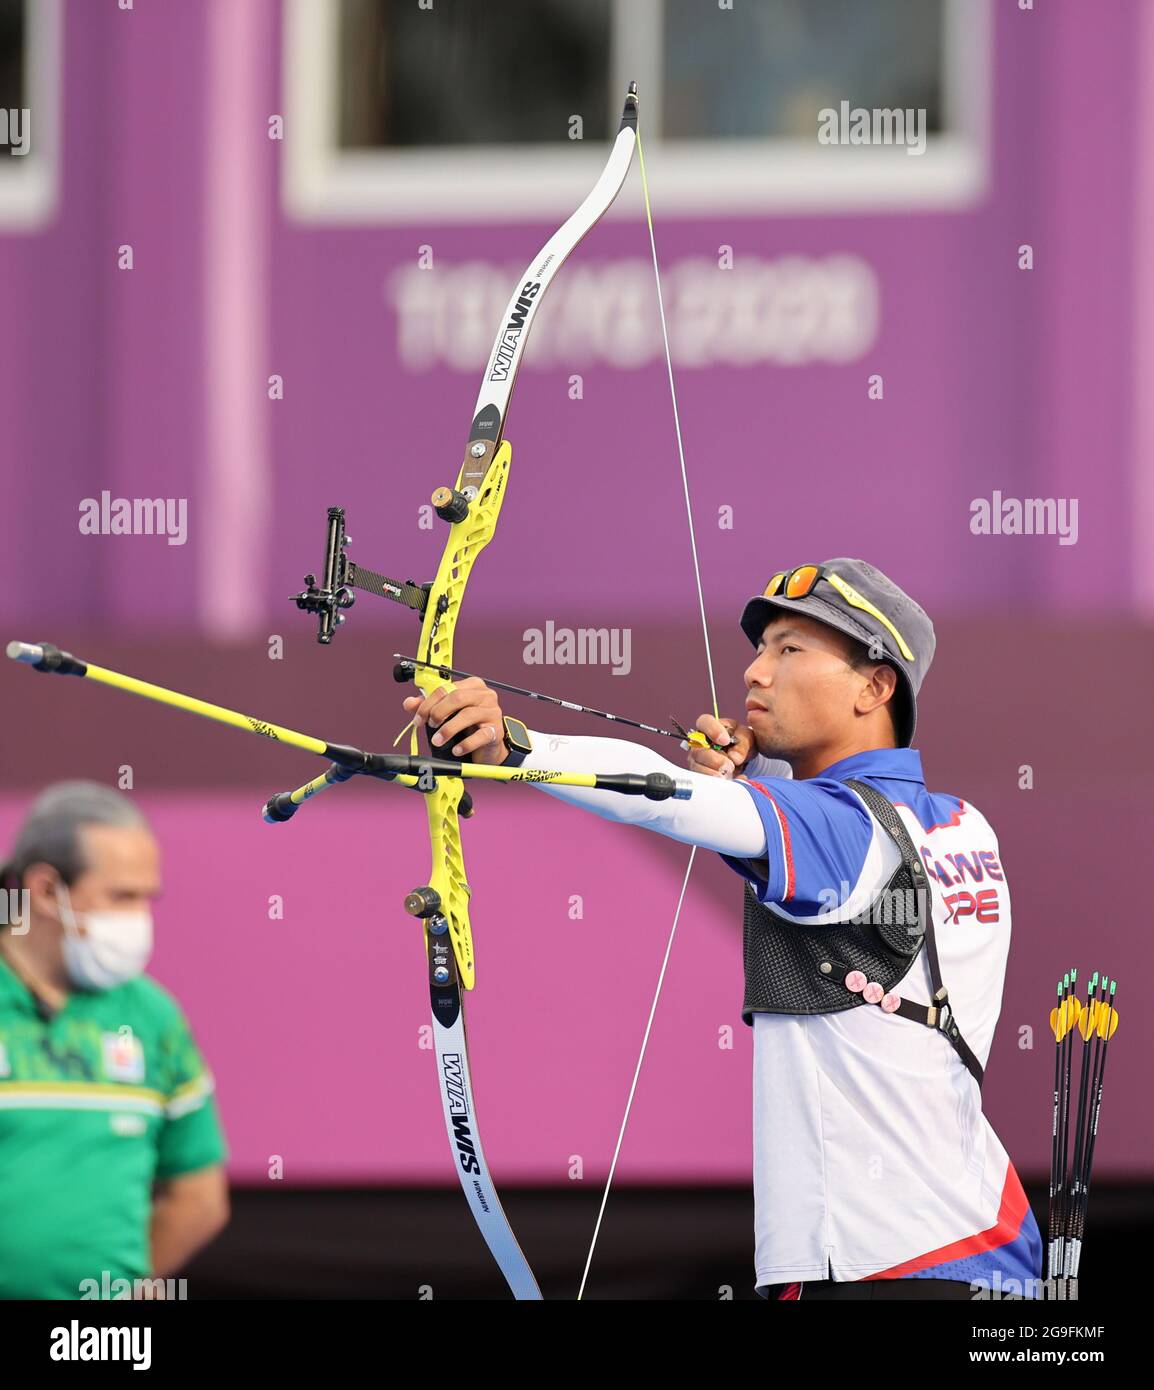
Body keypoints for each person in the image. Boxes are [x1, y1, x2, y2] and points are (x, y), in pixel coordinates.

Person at [401, 558, 1043, 1300]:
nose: (755, 673)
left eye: (791, 650)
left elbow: (664, 796)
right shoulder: (962, 825)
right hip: (986, 1255)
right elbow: (842, 861)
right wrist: (754, 786)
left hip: (888, 1264)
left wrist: (516, 748)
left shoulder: (847, 831)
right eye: (762, 647)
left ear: (875, 686)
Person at [0, 782, 229, 1299]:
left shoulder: (153, 1015)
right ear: (42, 890)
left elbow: (199, 1197)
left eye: (148, 897)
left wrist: (113, 1298)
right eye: (122, 896)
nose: (140, 919)